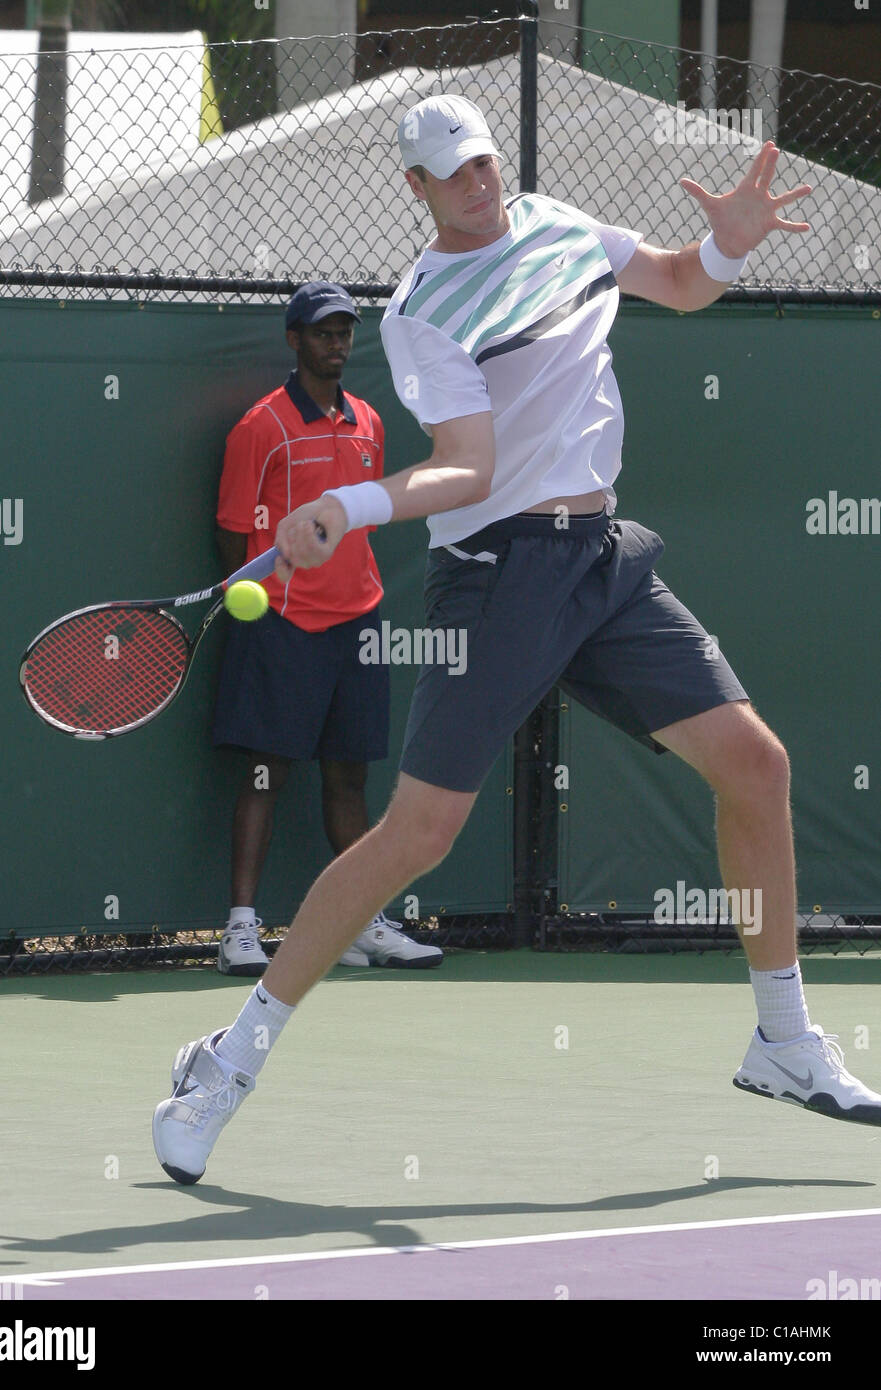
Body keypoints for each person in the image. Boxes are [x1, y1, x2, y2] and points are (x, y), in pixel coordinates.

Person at [154, 95, 881, 1185]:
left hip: (601, 561)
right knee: (417, 838)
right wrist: (352, 507)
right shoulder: (419, 310)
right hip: (498, 576)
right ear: (416, 187)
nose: (478, 182)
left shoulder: (555, 223)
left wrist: (727, 238)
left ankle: (782, 1039)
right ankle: (228, 1060)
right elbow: (468, 468)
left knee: (756, 766)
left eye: (484, 161)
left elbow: (680, 283)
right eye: (452, 172)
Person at [211, 281, 443, 977]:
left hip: (357, 624)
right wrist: (262, 598)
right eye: (322, 332)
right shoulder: (261, 427)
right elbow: (231, 528)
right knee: (263, 776)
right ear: (295, 340)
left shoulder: (369, 420)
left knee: (349, 780)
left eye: (344, 332)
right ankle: (241, 930)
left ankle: (358, 924)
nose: (336, 343)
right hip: (281, 625)